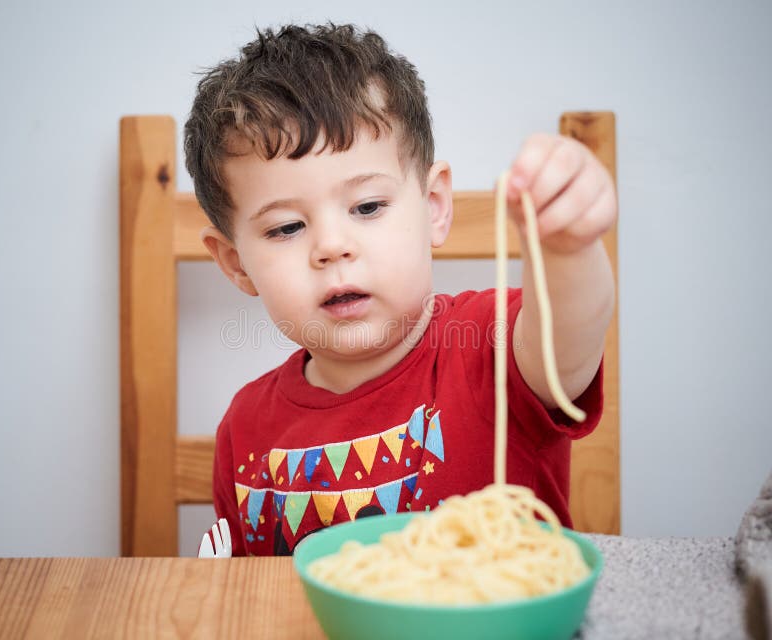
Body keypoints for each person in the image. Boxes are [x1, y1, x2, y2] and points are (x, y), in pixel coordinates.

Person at [185, 23, 616, 556]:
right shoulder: (244, 427)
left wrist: (567, 251)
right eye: (286, 228)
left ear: (433, 206)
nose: (332, 247)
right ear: (236, 264)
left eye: (367, 207)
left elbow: (567, 337)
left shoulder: (490, 349)